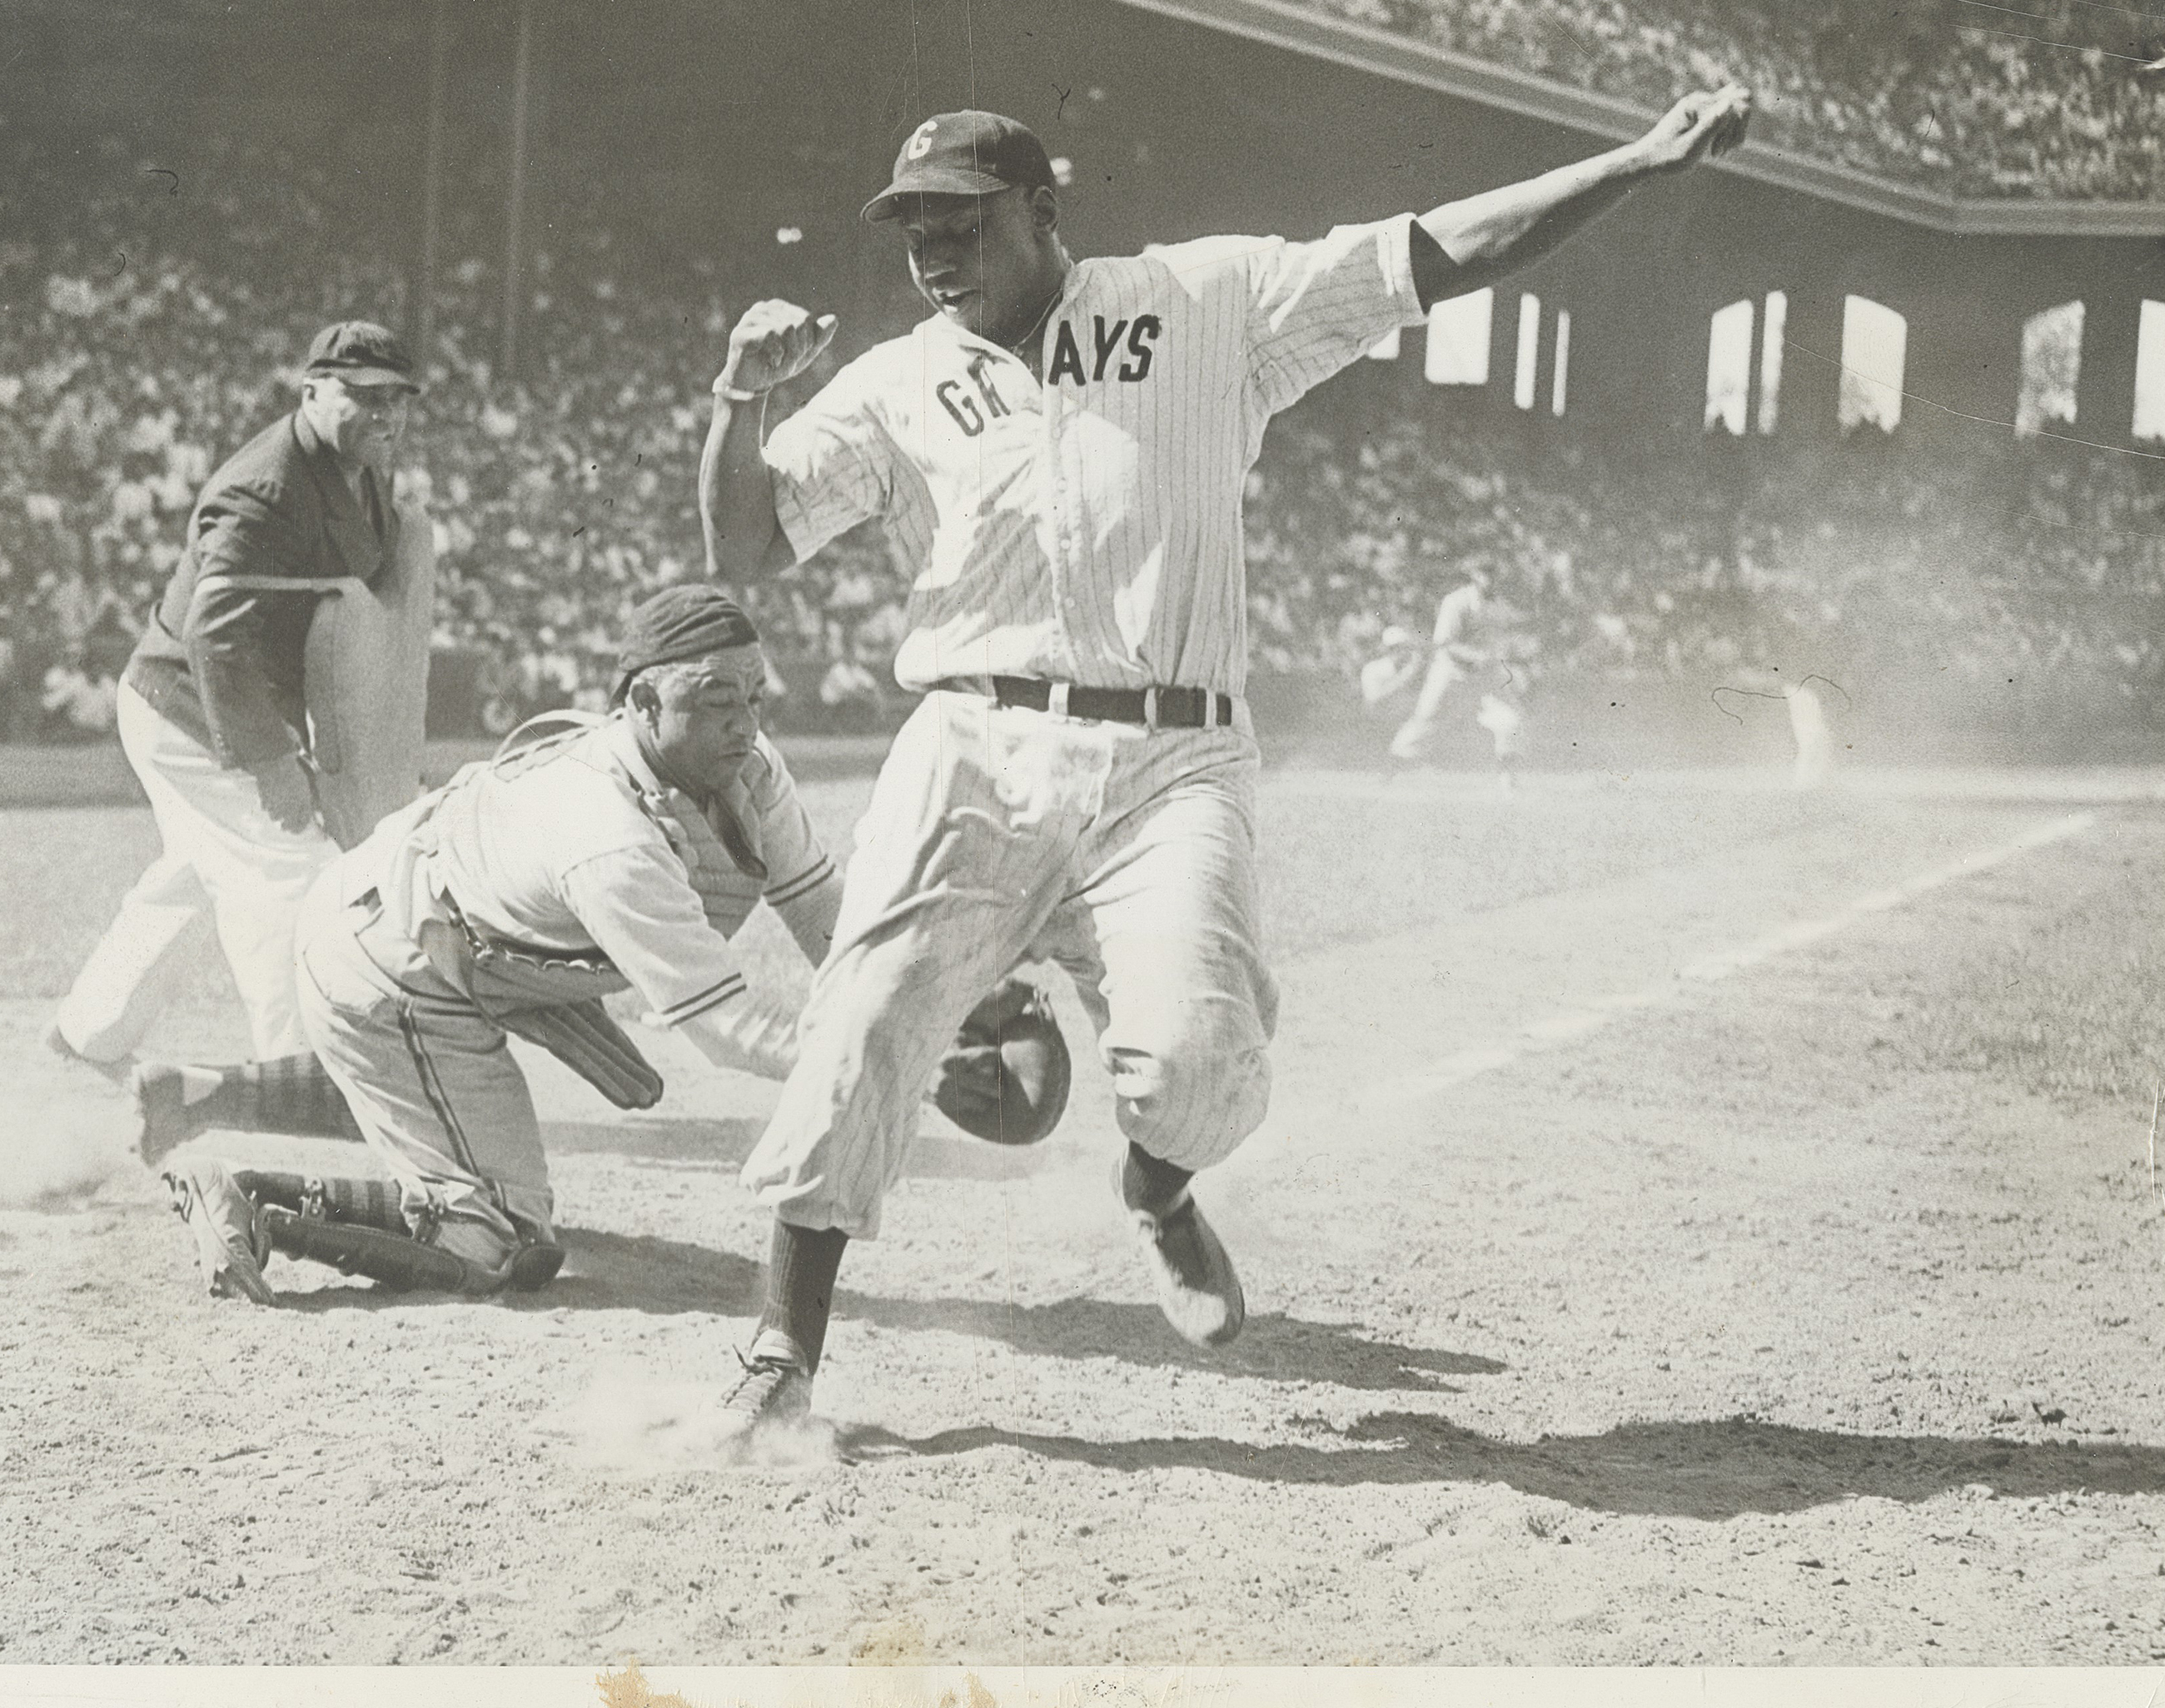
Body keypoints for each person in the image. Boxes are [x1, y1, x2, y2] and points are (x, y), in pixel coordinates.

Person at [698, 86, 1754, 1438]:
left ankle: (1157, 1191)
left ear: (1042, 212)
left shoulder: (1208, 304)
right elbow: (745, 550)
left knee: (1197, 1062)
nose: (932, 249)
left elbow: (1435, 253)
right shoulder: (895, 381)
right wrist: (738, 398)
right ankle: (782, 1351)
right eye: (912, 224)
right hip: (971, 744)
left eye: (962, 217)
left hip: (1171, 754)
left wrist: (1641, 161)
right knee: (864, 1010)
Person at [157, 585, 846, 1305]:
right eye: (715, 701)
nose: (744, 724)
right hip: (390, 963)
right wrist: (881, 1064)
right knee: (498, 1242)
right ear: (643, 703)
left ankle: (204, 1092)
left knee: (423, 1103)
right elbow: (727, 1028)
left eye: (754, 698)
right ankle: (248, 1195)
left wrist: (915, 1010)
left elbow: (824, 914)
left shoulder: (747, 770)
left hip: (452, 940)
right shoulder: (607, 834)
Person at [47, 319, 423, 1078]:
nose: (386, 414)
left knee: (199, 877)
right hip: (190, 705)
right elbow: (215, 640)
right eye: (363, 396)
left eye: (399, 400)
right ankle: (301, 1071)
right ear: (311, 390)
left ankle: (89, 1033)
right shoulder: (266, 488)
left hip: (218, 701)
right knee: (287, 869)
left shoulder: (360, 469)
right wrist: (273, 762)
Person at [1375, 563, 1533, 787]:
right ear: (1475, 576)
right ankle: (1388, 772)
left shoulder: (1500, 605)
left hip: (1487, 676)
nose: (1491, 579)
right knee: (1424, 723)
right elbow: (1444, 643)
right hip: (1452, 673)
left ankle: (1509, 782)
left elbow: (1502, 640)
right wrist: (1475, 656)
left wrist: (1501, 654)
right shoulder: (1457, 601)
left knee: (1512, 721)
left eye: (1494, 574)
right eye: (1485, 573)